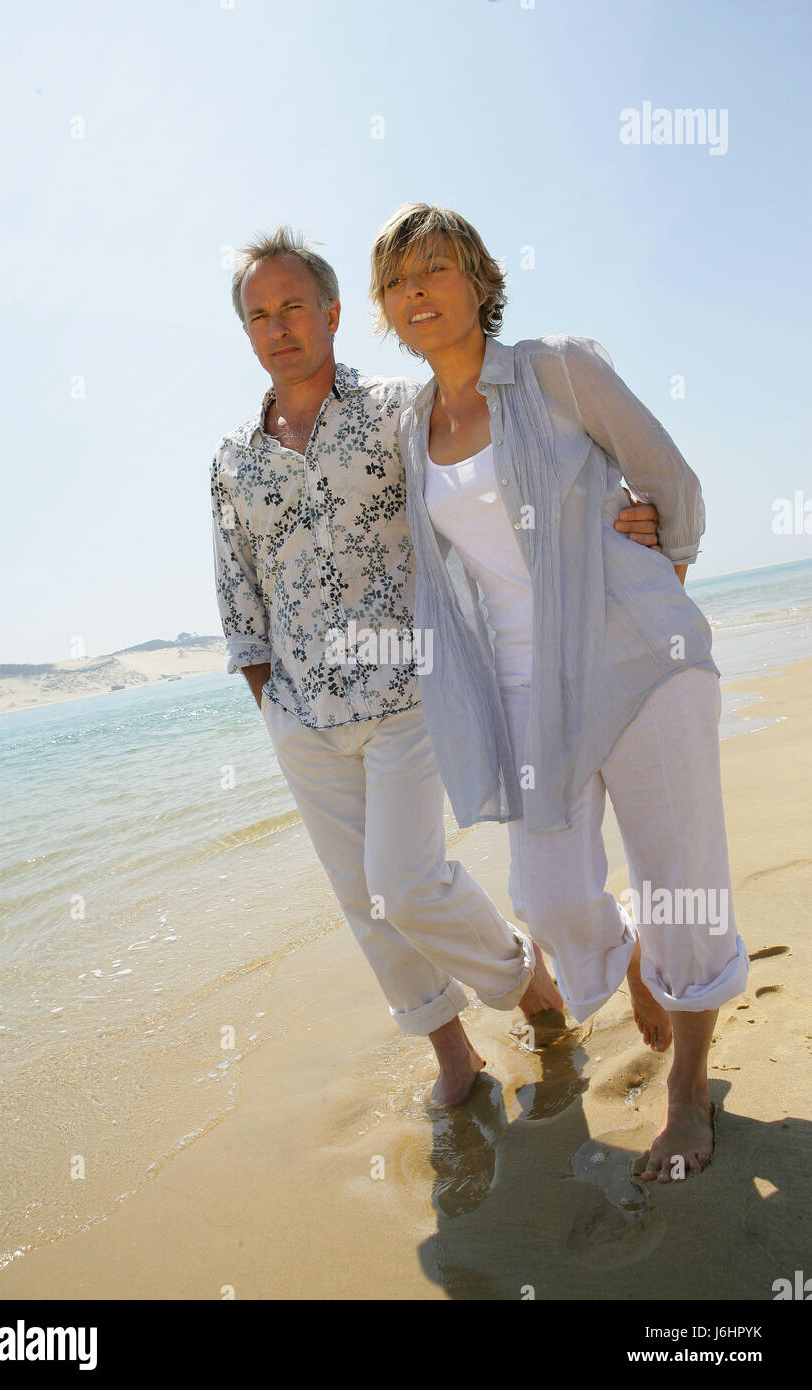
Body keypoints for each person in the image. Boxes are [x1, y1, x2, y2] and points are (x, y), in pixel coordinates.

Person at [211, 226, 663, 1108]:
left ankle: (526, 984)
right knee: (364, 904)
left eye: (294, 306)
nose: (278, 327)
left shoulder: (400, 410)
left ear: (336, 313)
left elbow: (498, 488)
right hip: (304, 719)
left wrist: (620, 522)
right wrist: (275, 708)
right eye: (259, 315)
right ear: (248, 333)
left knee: (407, 884)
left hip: (414, 692)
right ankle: (454, 1056)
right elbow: (240, 601)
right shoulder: (232, 462)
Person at [369, 202, 750, 1179]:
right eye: (398, 280)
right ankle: (632, 964)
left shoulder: (555, 369)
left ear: (477, 280)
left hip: (639, 662)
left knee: (684, 885)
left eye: (436, 269)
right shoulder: (412, 431)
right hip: (524, 692)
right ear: (383, 305)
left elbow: (668, 479)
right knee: (549, 895)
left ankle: (684, 1088)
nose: (418, 292)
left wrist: (656, 573)